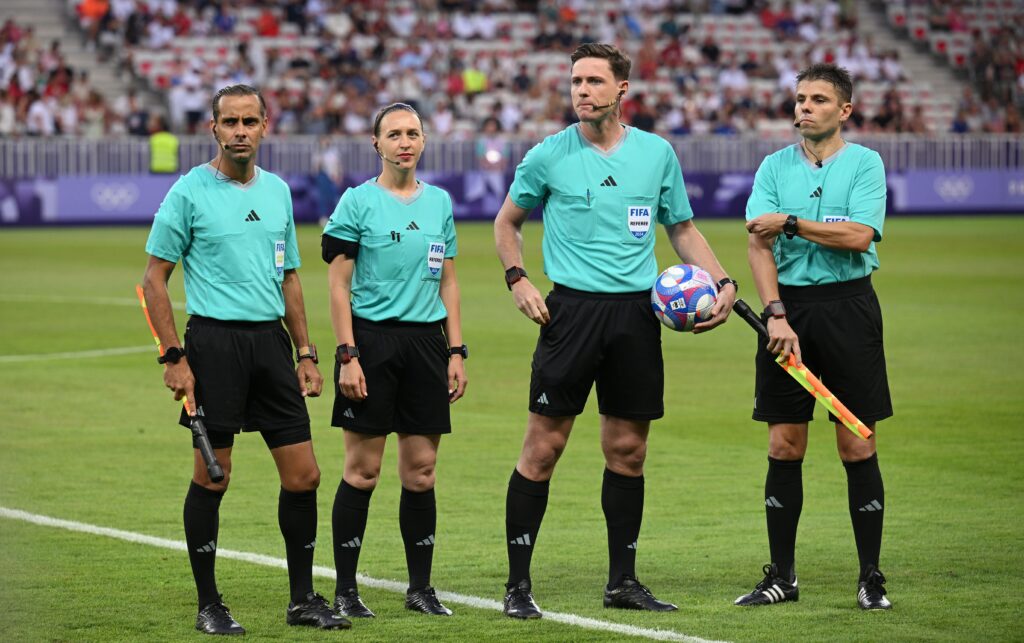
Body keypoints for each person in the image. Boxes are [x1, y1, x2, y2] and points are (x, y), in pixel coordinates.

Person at [493, 43, 737, 619]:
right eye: (576, 80)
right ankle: (517, 585)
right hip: (569, 313)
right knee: (542, 449)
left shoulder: (656, 154)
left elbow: (681, 229)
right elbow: (508, 222)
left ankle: (622, 582)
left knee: (628, 452)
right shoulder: (548, 155)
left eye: (594, 81)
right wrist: (518, 280)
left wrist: (722, 281)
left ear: (622, 89)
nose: (582, 90)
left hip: (636, 316)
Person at [141, 84, 351, 635]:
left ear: (265, 126)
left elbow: (289, 278)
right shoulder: (188, 192)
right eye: (229, 121)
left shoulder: (279, 191)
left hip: (270, 347)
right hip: (213, 346)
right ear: (212, 128)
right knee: (214, 477)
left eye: (249, 121)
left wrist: (305, 352)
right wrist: (173, 357)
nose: (239, 130)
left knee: (304, 476)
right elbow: (153, 280)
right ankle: (209, 603)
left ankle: (303, 599)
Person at [740, 63, 893, 610]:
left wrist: (793, 224)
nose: (804, 107)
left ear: (844, 110)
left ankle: (870, 577)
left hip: (849, 310)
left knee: (857, 441)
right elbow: (757, 243)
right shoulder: (773, 167)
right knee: (784, 444)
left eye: (819, 99)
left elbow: (858, 235)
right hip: (789, 313)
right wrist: (774, 314)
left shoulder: (866, 164)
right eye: (800, 98)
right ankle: (782, 575)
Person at [321, 102, 467, 619]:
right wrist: (348, 355)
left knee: (422, 472)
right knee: (362, 472)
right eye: (394, 134)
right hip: (372, 344)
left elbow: (447, 280)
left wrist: (455, 349)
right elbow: (338, 287)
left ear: (424, 140)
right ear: (376, 144)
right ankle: (345, 590)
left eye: (413, 133)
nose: (405, 142)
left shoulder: (440, 204)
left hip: (427, 346)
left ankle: (420, 589)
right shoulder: (356, 202)